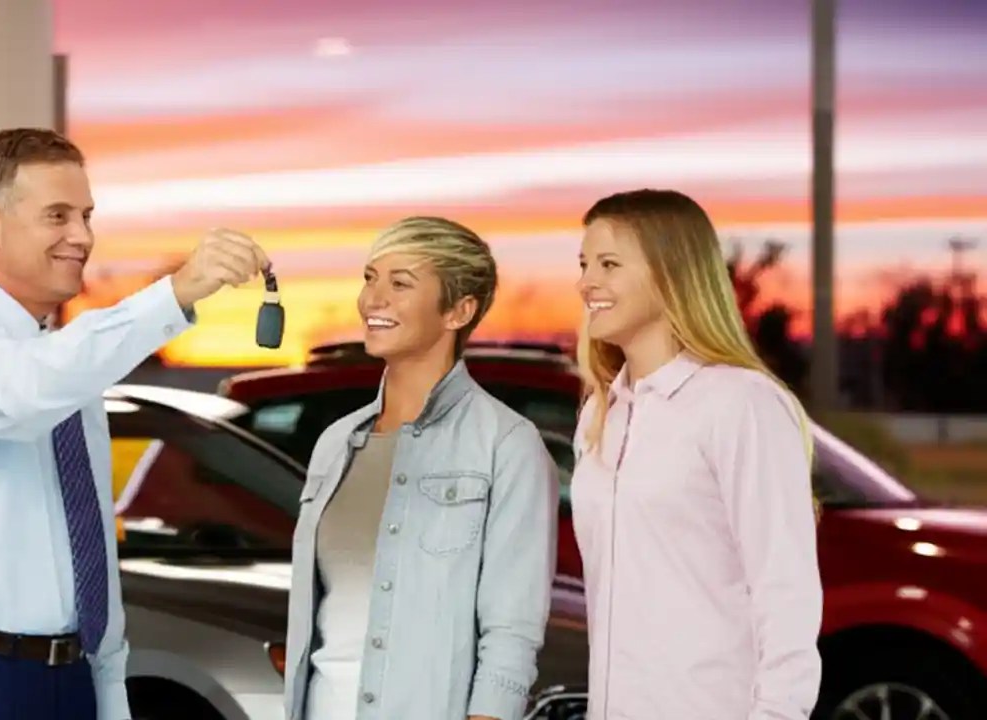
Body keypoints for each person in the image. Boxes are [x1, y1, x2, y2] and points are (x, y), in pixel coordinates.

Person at [0, 127, 270, 720]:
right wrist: (174, 295)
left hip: (67, 678)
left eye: (85, 215)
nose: (82, 236)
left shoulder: (66, 364)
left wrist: (106, 686)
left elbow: (87, 540)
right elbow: (23, 390)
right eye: (57, 215)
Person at [283, 216, 559, 720]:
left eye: (400, 283)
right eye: (370, 278)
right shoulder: (335, 444)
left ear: (459, 310)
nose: (373, 299)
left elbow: (511, 638)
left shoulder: (507, 445)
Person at [569, 189, 822, 719]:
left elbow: (785, 595)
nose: (587, 282)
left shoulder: (739, 403)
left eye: (609, 264)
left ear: (671, 274)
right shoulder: (599, 416)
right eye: (585, 264)